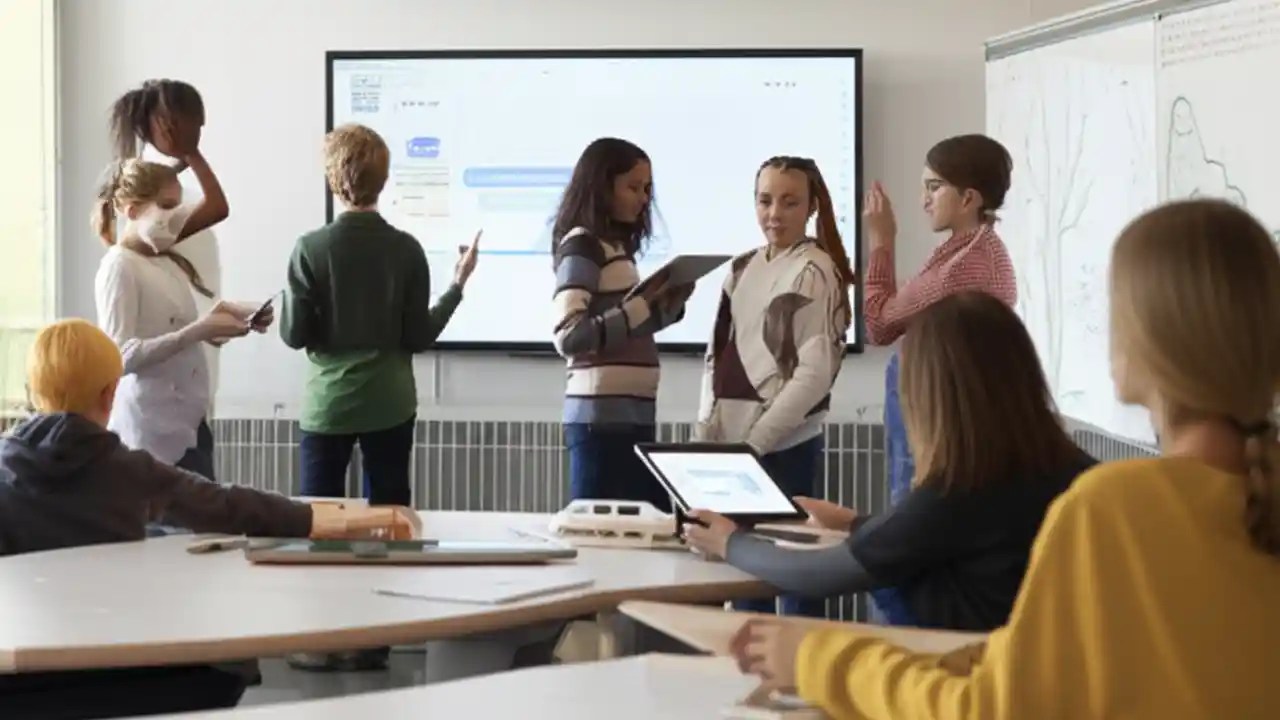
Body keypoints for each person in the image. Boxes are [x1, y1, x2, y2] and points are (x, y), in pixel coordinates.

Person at [728, 199, 1280, 719]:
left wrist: (817, 659)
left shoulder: (1113, 509)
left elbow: (991, 709)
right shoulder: (1194, 497)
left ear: (1149, 341)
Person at [0, 319, 419, 718]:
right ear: (110, 394)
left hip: (18, 684)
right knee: (229, 664)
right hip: (116, 669)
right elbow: (223, 505)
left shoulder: (5, 466)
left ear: (33, 391)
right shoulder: (125, 469)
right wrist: (317, 516)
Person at [685, 292, 1095, 631]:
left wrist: (729, 542)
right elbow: (923, 536)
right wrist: (852, 522)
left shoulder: (960, 490)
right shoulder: (1077, 471)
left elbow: (819, 575)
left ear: (932, 397)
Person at [279, 123, 478, 673]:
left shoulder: (309, 249)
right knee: (390, 524)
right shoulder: (407, 250)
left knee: (318, 522)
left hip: (328, 406)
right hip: (390, 403)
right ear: (384, 179)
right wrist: (457, 285)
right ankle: (376, 641)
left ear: (332, 178)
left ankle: (320, 639)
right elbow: (418, 335)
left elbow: (294, 334)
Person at [862, 134, 1017, 623]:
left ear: (968, 198)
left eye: (934, 187)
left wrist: (881, 242)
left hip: (931, 407)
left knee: (904, 544)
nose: (924, 199)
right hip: (952, 408)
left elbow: (879, 324)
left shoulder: (961, 268)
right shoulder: (981, 250)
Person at [693, 156, 856, 618]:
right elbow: (717, 355)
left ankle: (804, 664)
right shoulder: (741, 268)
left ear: (811, 207)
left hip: (783, 448)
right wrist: (707, 430)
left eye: (789, 202)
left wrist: (757, 442)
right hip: (738, 449)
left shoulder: (814, 269)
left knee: (794, 572)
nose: (775, 214)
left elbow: (813, 374)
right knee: (746, 579)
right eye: (765, 201)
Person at [93, 155, 263, 484]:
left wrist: (226, 317)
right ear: (132, 211)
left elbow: (171, 327)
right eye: (167, 206)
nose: (177, 216)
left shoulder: (162, 260)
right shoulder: (119, 267)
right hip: (151, 437)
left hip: (189, 427)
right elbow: (119, 357)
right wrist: (197, 331)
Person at [551, 137, 690, 512]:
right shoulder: (582, 246)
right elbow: (569, 335)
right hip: (600, 422)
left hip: (632, 417)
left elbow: (629, 325)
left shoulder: (617, 248)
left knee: (647, 526)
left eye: (647, 189)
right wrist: (641, 306)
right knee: (597, 531)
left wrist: (668, 305)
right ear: (602, 187)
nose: (643, 199)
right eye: (633, 187)